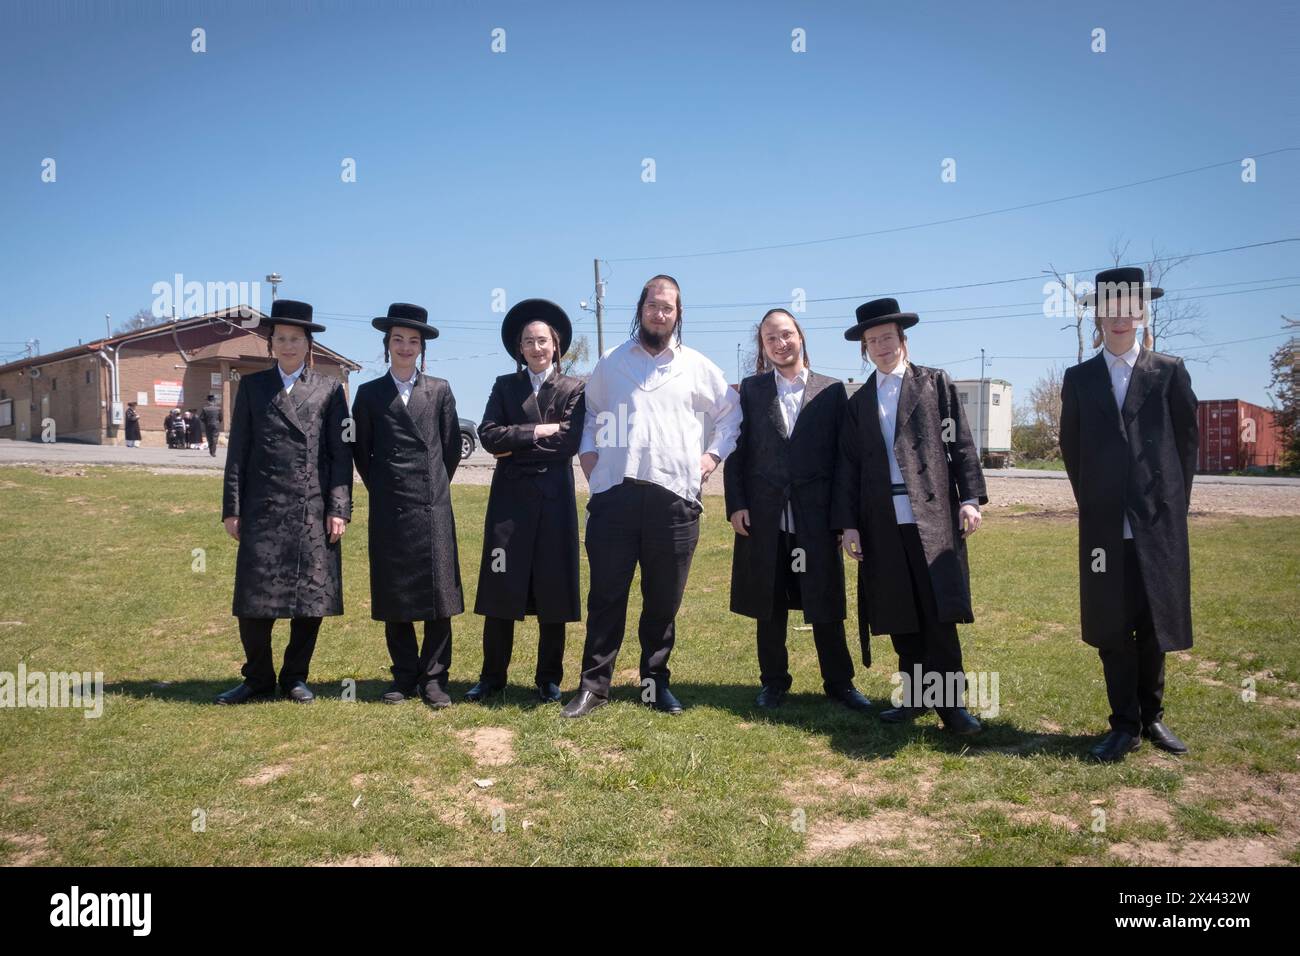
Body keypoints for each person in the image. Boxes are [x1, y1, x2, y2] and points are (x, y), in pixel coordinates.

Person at [563, 274, 741, 718]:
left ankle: (654, 683)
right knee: (606, 595)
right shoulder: (612, 361)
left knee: (663, 600)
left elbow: (730, 415)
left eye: (668, 308)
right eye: (652, 305)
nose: (659, 314)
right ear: (640, 309)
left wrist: (710, 459)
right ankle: (593, 687)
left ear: (678, 315)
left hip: (674, 500)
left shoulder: (697, 366)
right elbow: (592, 413)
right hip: (614, 497)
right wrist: (589, 458)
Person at [1061, 267, 1199, 763]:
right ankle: (1123, 724)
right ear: (1098, 316)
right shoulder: (1079, 379)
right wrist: (1097, 501)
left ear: (1141, 312)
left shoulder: (1168, 371)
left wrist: (1168, 509)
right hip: (1103, 528)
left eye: (1129, 307)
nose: (1120, 318)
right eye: (1110, 308)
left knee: (1153, 621)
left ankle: (1152, 716)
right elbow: (1071, 448)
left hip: (1157, 524)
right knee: (1112, 624)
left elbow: (1186, 447)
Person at [831, 298, 987, 735]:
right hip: (882, 521)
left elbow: (962, 445)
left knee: (938, 611)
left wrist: (970, 498)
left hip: (933, 516)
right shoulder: (859, 401)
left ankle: (951, 706)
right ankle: (915, 698)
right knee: (900, 611)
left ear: (903, 339)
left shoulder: (935, 384)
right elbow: (848, 467)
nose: (881, 346)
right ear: (864, 349)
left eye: (887, 338)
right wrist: (848, 524)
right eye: (871, 341)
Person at [724, 309, 870, 712]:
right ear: (763, 346)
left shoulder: (831, 391)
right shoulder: (751, 391)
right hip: (766, 517)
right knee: (768, 605)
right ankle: (773, 682)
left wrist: (844, 518)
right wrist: (736, 504)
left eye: (785, 334)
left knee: (823, 602)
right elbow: (738, 452)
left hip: (816, 517)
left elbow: (845, 461)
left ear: (800, 336)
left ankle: (839, 682)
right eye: (770, 338)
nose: (779, 343)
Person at [216, 299, 352, 705]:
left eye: (296, 338)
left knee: (310, 599)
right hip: (263, 509)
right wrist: (232, 507)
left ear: (309, 343)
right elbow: (237, 450)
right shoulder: (253, 388)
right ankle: (257, 676)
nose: (288, 345)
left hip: (312, 510)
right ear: (271, 343)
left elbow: (340, 456)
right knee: (253, 601)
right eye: (281, 338)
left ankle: (295, 676)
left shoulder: (330, 390)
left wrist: (338, 508)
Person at [468, 299, 585, 704]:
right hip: (509, 502)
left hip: (554, 500)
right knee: (501, 586)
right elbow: (488, 435)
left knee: (554, 590)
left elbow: (568, 441)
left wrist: (516, 438)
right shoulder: (505, 386)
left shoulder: (575, 388)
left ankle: (549, 678)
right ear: (519, 349)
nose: (536, 348)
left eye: (543, 341)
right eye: (528, 342)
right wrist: (538, 430)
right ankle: (491, 676)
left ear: (555, 345)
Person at [353, 303, 464, 708]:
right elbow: (361, 454)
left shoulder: (439, 390)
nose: (405, 346)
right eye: (397, 339)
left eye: (412, 341)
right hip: (390, 509)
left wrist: (431, 486)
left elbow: (450, 449)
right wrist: (387, 489)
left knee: (439, 596)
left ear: (422, 348)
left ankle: (435, 679)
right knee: (394, 594)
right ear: (387, 345)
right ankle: (402, 675)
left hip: (432, 507)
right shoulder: (368, 395)